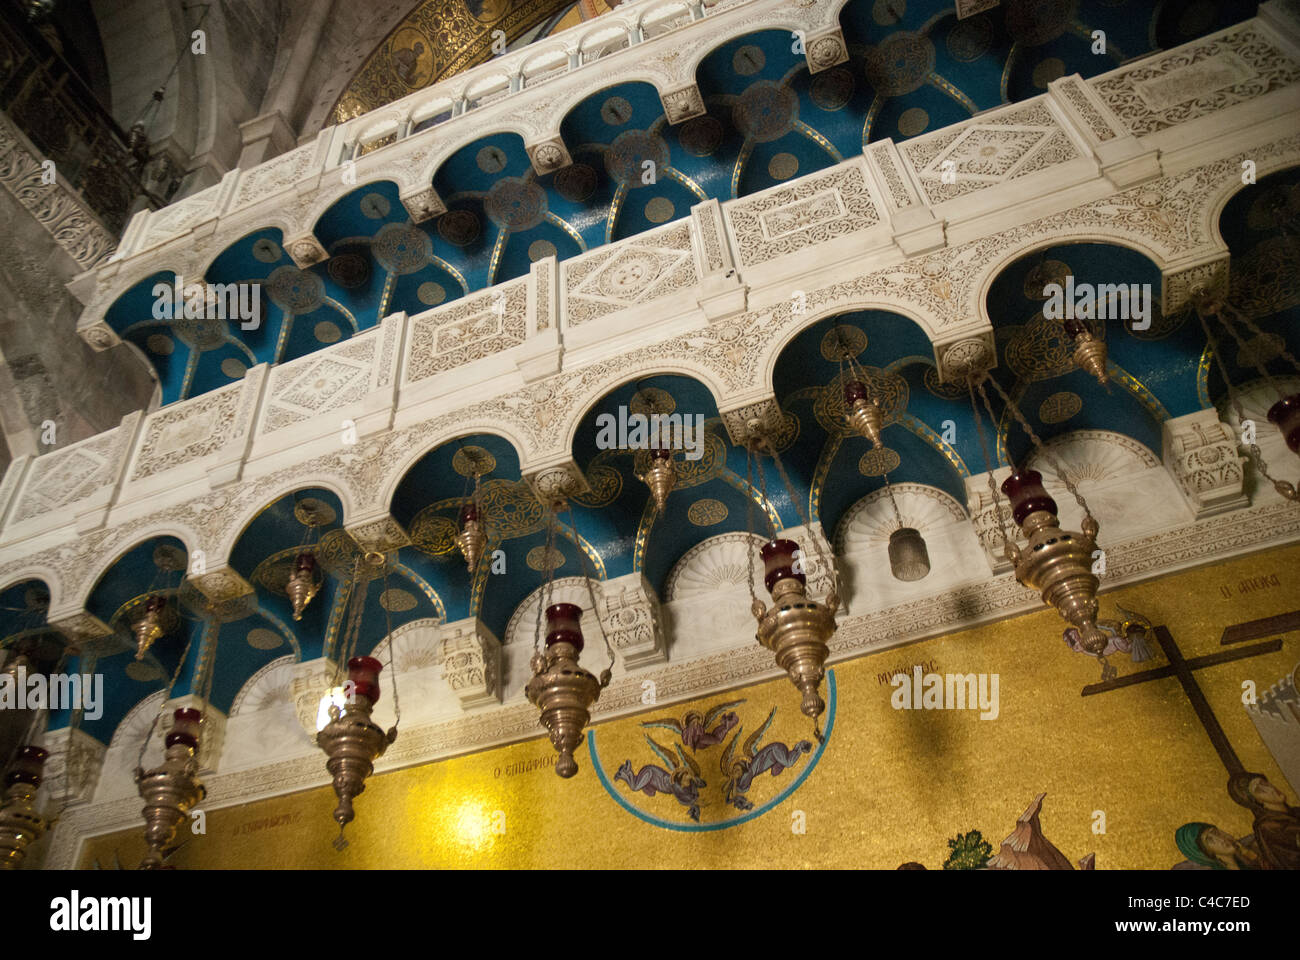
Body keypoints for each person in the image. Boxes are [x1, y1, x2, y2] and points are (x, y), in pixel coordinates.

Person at [1227, 772, 1300, 870]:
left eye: (1265, 783)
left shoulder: (1295, 811)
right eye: (1259, 790)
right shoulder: (1267, 826)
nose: (1270, 789)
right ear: (1257, 801)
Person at [1173, 821, 1259, 869]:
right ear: (1204, 852)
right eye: (1210, 840)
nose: (1221, 839)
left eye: (1216, 833)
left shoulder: (1248, 858)